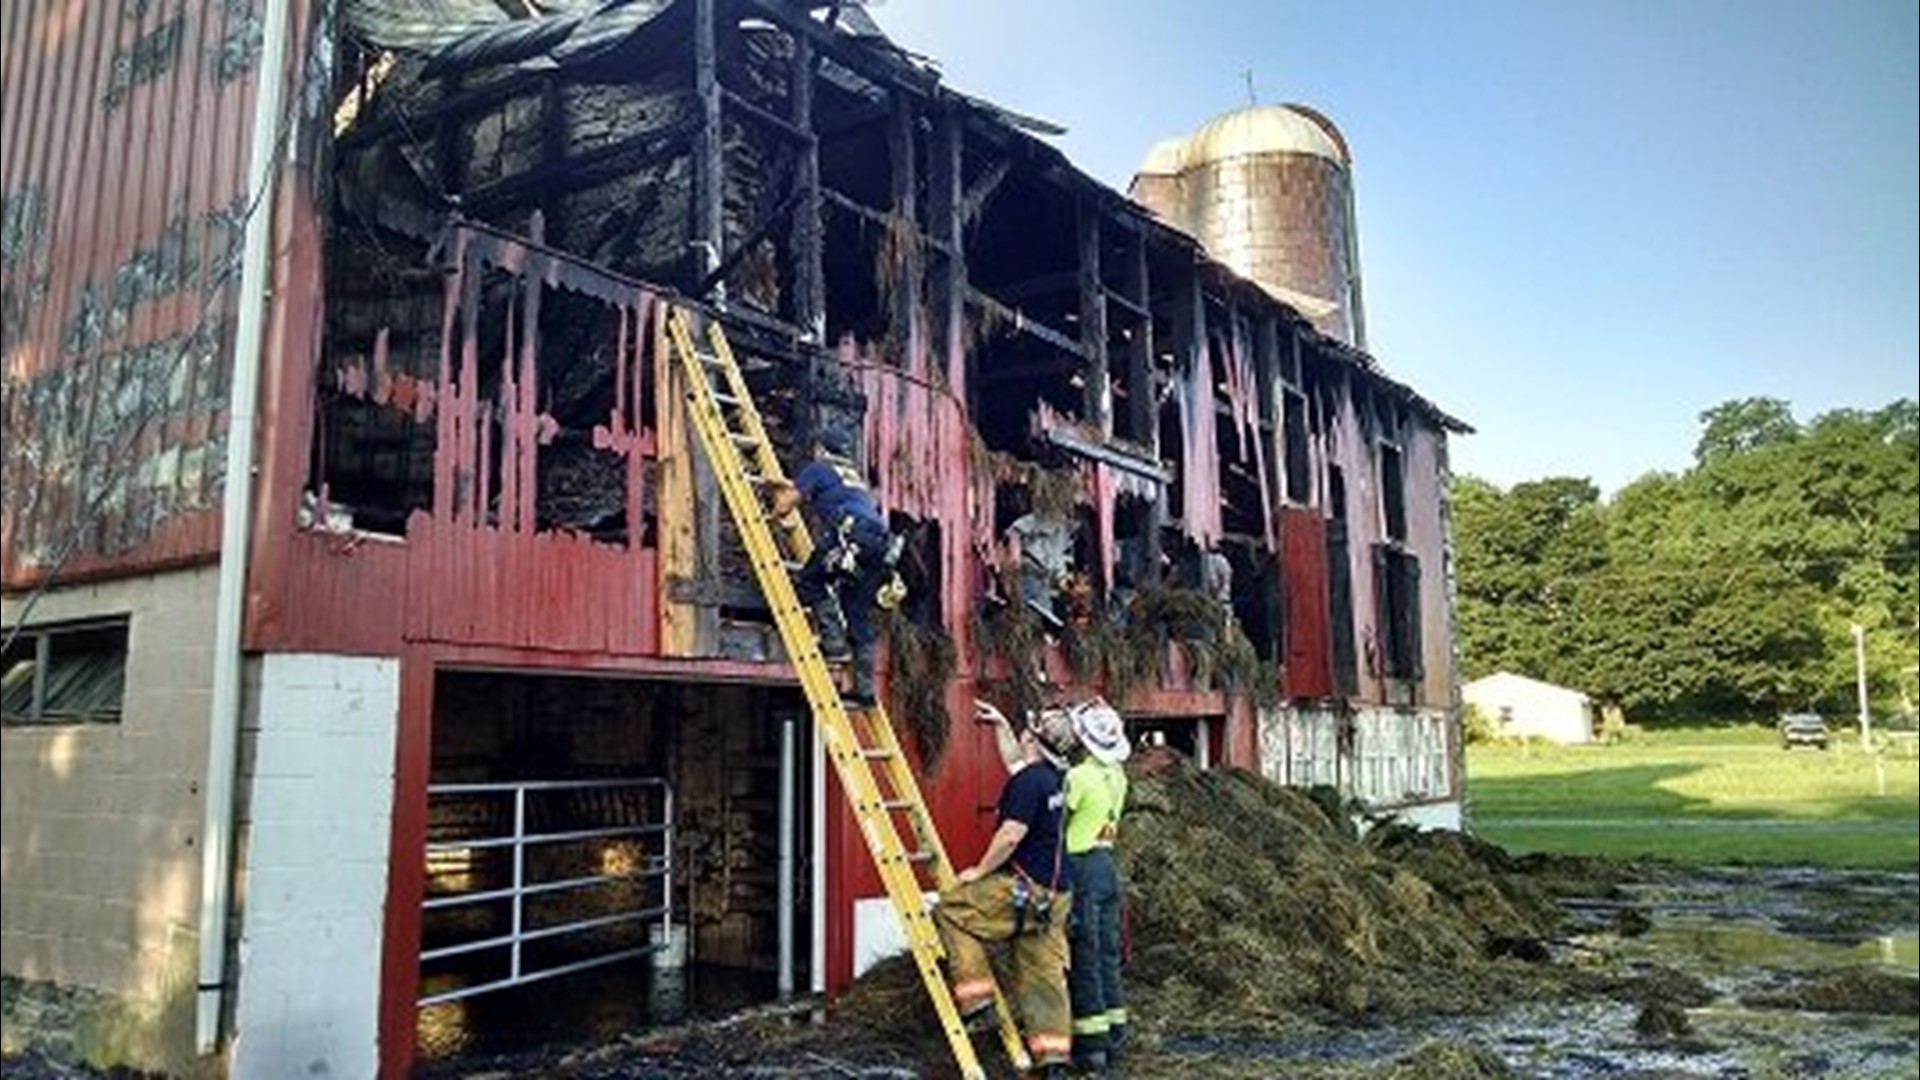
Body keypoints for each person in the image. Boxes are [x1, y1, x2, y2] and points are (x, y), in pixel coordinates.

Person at [936, 700, 1078, 1077]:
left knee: (952, 911)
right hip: (1058, 895)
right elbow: (1018, 764)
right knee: (1042, 974)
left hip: (1026, 891)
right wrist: (1000, 723)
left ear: (1031, 736)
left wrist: (979, 872)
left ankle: (977, 1003)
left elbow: (1011, 835)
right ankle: (1053, 1061)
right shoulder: (1054, 776)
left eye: (1024, 728)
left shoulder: (1028, 783)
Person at [770, 426, 897, 705]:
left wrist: (772, 511)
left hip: (850, 534)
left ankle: (835, 646)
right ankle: (865, 692)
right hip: (880, 545)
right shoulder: (856, 480)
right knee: (857, 610)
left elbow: (786, 505)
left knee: (810, 582)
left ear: (820, 449)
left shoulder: (819, 468)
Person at [1061, 699, 1131, 1072]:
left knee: (1084, 953)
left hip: (1082, 866)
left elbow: (1060, 819)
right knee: (1107, 952)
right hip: (1106, 864)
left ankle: (1091, 1047)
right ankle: (1115, 1031)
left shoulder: (1078, 777)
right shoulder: (1118, 775)